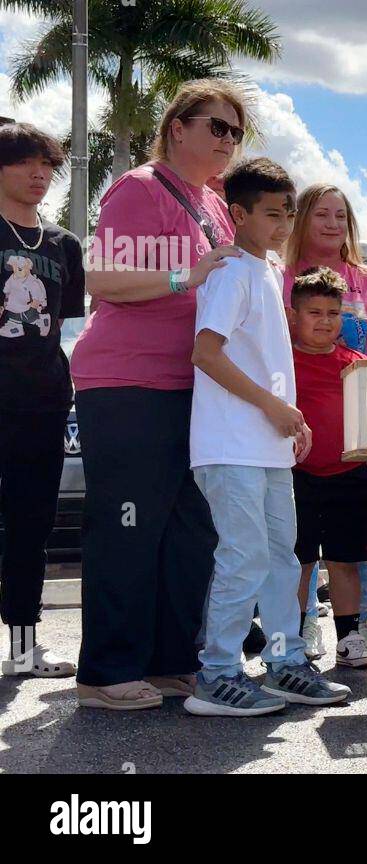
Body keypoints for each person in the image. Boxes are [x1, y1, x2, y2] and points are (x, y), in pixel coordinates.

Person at [72, 79, 245, 710]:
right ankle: (105, 672)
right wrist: (185, 275)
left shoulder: (215, 203)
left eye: (236, 132)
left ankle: (173, 660)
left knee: (189, 529)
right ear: (178, 127)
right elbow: (101, 278)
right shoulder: (141, 189)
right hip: (127, 382)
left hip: (191, 385)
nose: (228, 141)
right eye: (217, 127)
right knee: (129, 525)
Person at [184, 157, 350, 716]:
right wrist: (277, 408)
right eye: (273, 214)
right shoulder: (233, 273)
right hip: (229, 446)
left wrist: (291, 418)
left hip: (267, 445)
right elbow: (205, 354)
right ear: (239, 214)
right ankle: (218, 674)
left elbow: (265, 361)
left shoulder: (266, 271)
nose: (283, 225)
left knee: (283, 556)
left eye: (288, 213)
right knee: (245, 556)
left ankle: (283, 662)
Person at [283, 183, 367, 663]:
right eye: (321, 214)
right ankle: (299, 631)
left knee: (354, 553)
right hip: (299, 463)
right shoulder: (281, 275)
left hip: (354, 451)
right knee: (299, 557)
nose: (333, 224)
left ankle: (361, 629)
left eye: (341, 215)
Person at [0, 123, 84, 678]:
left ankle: (22, 650)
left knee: (32, 524)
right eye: (26, 162)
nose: (38, 175)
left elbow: (73, 328)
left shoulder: (64, 245)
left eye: (47, 166)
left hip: (45, 403)